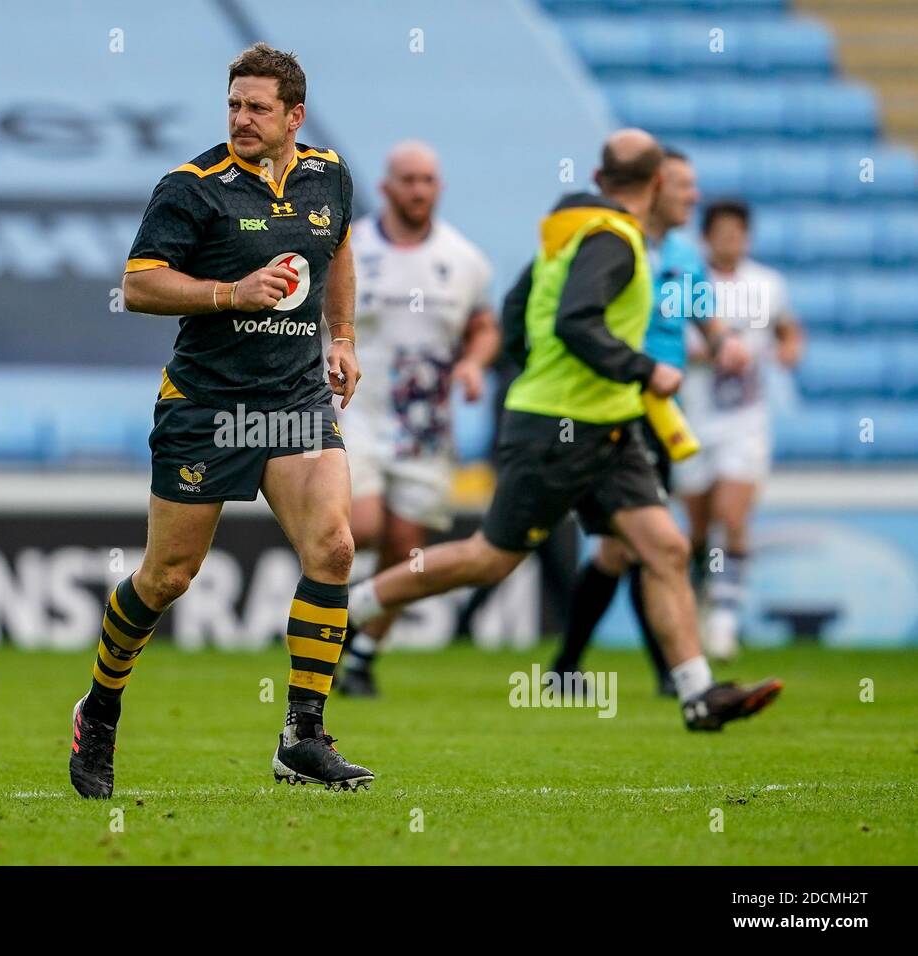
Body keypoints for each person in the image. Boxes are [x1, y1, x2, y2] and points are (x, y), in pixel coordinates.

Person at [346, 129, 783, 732]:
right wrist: (642, 368)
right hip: (559, 426)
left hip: (607, 424)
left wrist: (535, 371)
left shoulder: (568, 234)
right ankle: (349, 607)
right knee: (487, 560)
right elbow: (579, 321)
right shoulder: (614, 241)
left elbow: (515, 311)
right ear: (656, 185)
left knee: (666, 547)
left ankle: (698, 693)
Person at [68, 44, 373, 798]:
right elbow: (140, 287)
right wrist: (227, 295)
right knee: (168, 575)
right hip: (207, 404)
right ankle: (100, 708)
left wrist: (343, 337)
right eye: (234, 104)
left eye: (257, 107)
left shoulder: (329, 175)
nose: (240, 118)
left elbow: (336, 254)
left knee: (333, 548)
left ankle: (302, 735)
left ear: (293, 116)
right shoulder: (190, 189)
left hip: (294, 402)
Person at [549, 148, 747, 695]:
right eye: (683, 185)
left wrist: (725, 343)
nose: (693, 196)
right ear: (656, 187)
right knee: (642, 540)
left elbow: (703, 316)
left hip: (663, 414)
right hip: (615, 405)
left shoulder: (683, 251)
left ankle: (567, 668)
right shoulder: (615, 240)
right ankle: (672, 671)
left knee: (623, 546)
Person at [335, 140, 498, 697]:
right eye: (407, 179)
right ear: (385, 187)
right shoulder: (350, 247)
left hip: (426, 423)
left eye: (427, 180)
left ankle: (359, 653)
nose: (418, 189)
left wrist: (474, 365)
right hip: (356, 409)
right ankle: (330, 619)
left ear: (439, 187)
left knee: (408, 551)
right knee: (361, 528)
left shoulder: (465, 259)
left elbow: (483, 324)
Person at [677, 199, 804, 661]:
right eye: (722, 231)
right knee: (695, 531)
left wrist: (789, 351)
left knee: (732, 517)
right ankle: (699, 602)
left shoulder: (767, 284)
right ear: (707, 235)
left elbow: (789, 331)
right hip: (692, 419)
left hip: (745, 421)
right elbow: (669, 346)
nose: (731, 239)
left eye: (739, 231)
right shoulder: (688, 282)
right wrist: (714, 353)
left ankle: (725, 620)